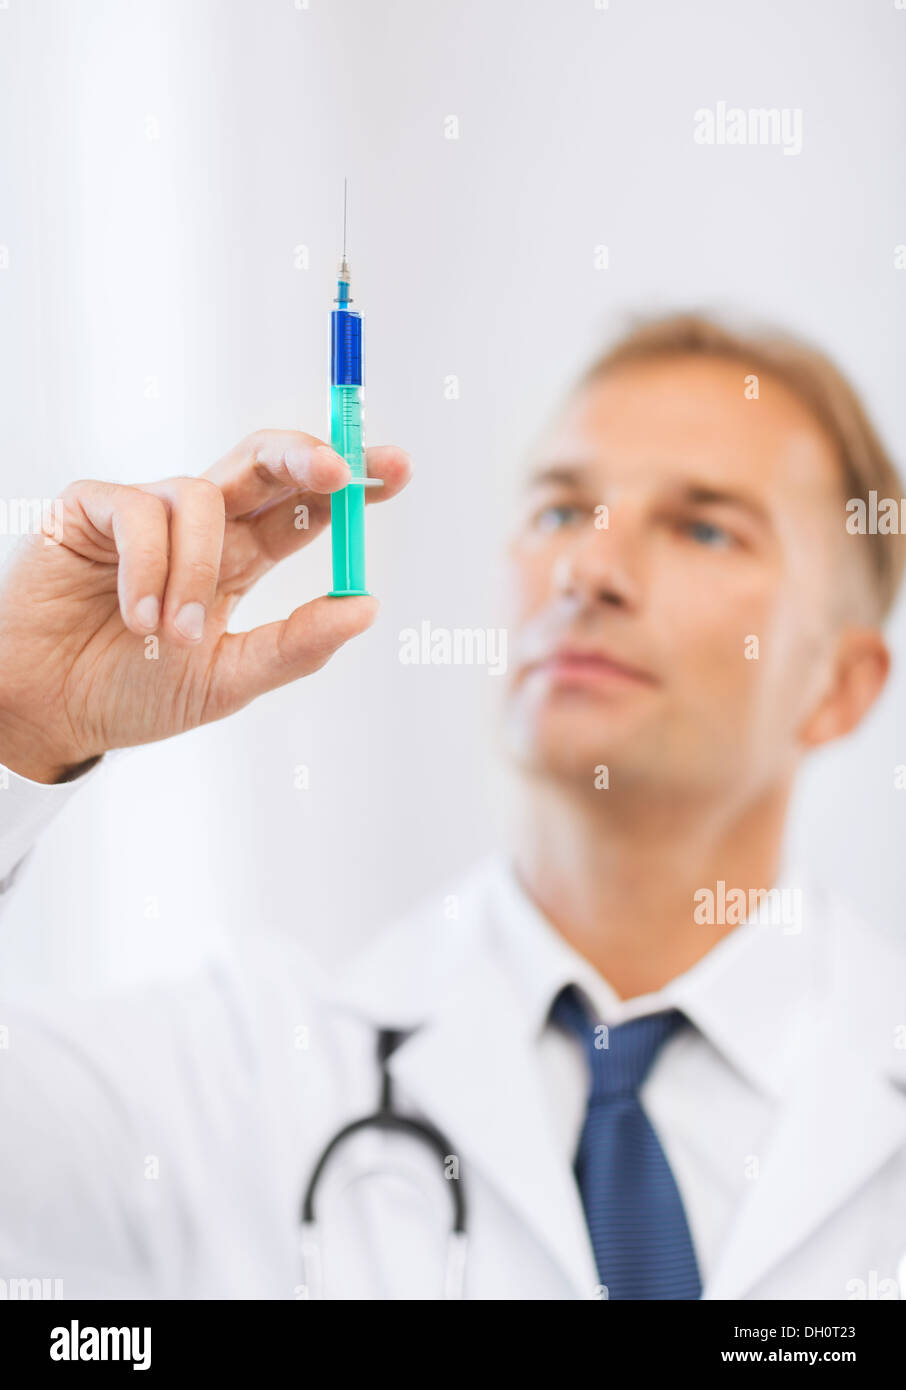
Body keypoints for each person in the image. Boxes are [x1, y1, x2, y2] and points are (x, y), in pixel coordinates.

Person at [0, 313, 904, 1301]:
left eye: (702, 526)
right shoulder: (241, 1079)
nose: (588, 571)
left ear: (841, 685)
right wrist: (19, 719)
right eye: (562, 511)